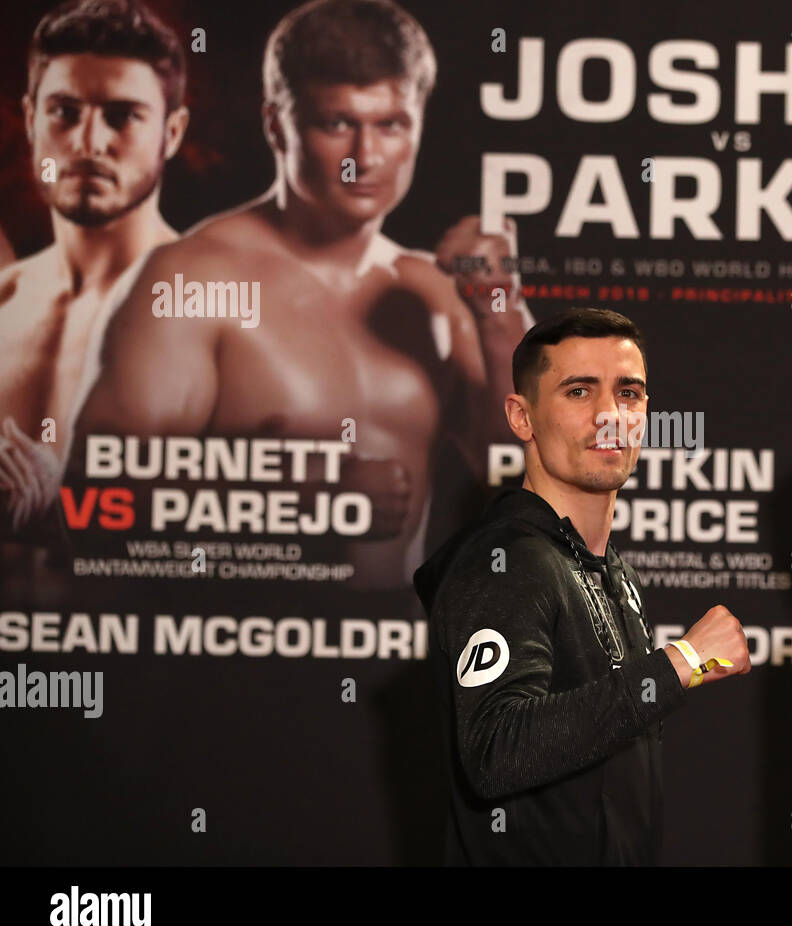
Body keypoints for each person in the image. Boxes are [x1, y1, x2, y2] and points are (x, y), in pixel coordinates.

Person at [72, 0, 531, 590]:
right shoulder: (196, 279)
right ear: (275, 125)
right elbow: (93, 501)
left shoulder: (433, 293)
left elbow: (528, 485)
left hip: (389, 664)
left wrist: (499, 310)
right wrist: (307, 496)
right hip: (238, 663)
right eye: (336, 124)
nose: (365, 158)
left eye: (390, 125)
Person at [414, 307, 751, 865]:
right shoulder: (507, 560)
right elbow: (497, 749)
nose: (609, 416)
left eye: (629, 393)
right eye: (578, 392)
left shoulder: (605, 567)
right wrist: (682, 661)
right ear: (521, 418)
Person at [0, 0, 188, 601]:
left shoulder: (214, 314)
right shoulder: (3, 302)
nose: (88, 142)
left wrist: (70, 514)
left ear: (173, 131)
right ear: (31, 118)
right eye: (64, 111)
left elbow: (274, 541)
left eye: (122, 115)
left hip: (151, 676)